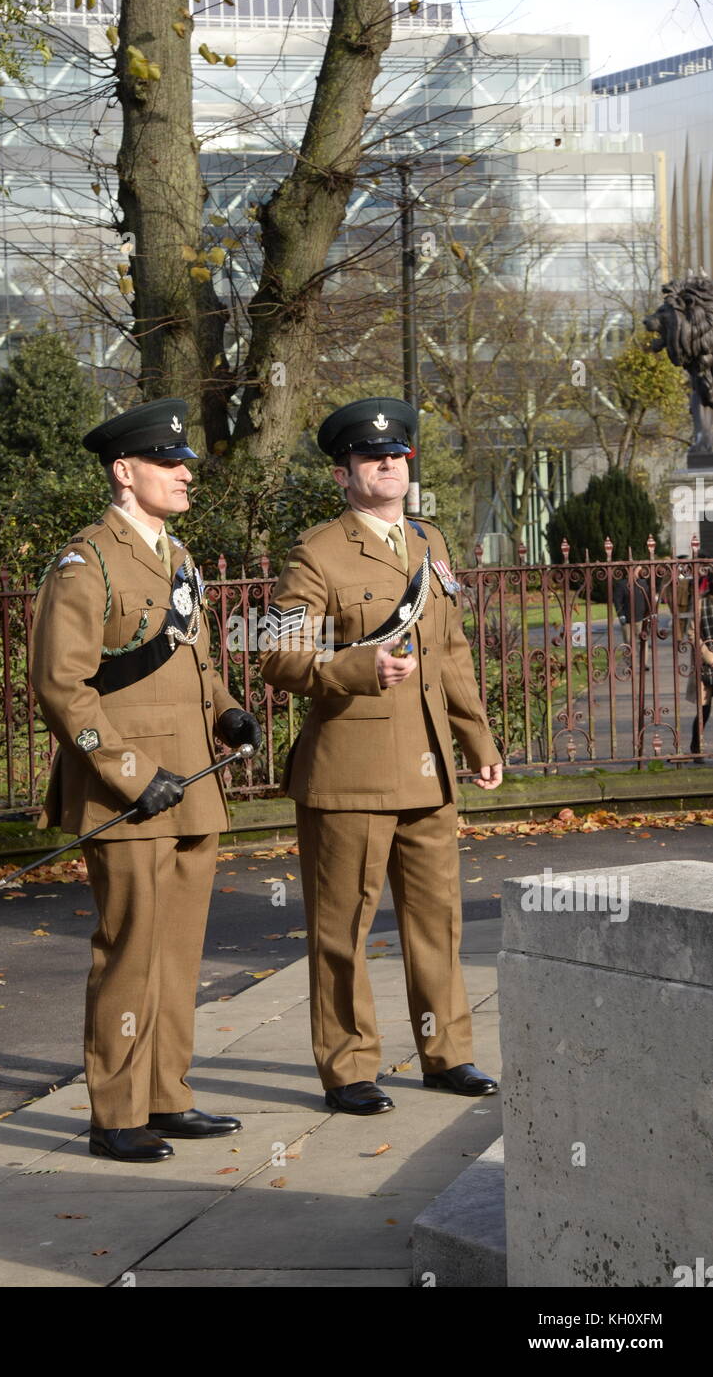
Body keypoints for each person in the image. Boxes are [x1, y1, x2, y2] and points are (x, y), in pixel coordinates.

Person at [30, 399, 261, 1162]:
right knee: (130, 951)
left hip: (192, 780)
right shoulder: (86, 560)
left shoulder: (179, 556)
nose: (185, 472)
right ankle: (117, 1113)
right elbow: (62, 686)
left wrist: (228, 714)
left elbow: (193, 665)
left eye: (185, 462)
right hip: (129, 793)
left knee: (178, 954)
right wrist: (127, 770)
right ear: (124, 473)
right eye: (169, 463)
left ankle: (167, 1096)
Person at [259, 397, 503, 1116]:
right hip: (349, 774)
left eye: (396, 455)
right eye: (372, 459)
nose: (388, 465)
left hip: (428, 768)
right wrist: (353, 668)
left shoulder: (429, 542)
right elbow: (276, 653)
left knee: (437, 922)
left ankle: (446, 1053)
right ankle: (347, 1068)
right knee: (342, 931)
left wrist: (475, 739)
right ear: (343, 475)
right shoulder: (315, 552)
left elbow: (450, 651)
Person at [686, 565, 713, 762]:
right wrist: (708, 655)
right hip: (706, 665)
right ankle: (696, 748)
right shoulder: (701, 603)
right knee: (704, 710)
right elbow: (692, 632)